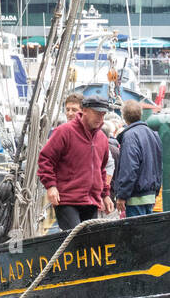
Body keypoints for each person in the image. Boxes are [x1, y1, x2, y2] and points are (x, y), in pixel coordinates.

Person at [38, 94, 114, 229]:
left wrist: (105, 195)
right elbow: (46, 159)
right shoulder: (64, 132)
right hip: (67, 199)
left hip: (91, 201)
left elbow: (101, 170)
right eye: (96, 113)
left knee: (89, 244)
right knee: (76, 241)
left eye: (102, 114)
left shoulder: (102, 138)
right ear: (84, 111)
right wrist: (51, 186)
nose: (100, 118)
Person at [113, 99, 163, 217]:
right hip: (150, 195)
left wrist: (122, 195)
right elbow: (159, 164)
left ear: (124, 117)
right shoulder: (153, 134)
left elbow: (129, 167)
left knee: (137, 233)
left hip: (136, 196)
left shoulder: (130, 136)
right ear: (140, 114)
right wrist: (155, 191)